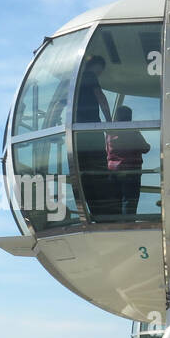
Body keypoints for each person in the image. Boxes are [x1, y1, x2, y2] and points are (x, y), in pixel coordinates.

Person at [74, 55, 116, 220]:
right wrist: (109, 121)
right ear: (96, 66)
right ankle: (104, 206)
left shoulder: (75, 80)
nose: (100, 73)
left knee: (82, 168)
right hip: (90, 127)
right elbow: (101, 97)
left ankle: (91, 209)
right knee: (98, 164)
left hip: (77, 129)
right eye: (101, 69)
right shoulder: (89, 76)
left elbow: (61, 103)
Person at [106, 106, 151, 217]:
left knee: (116, 201)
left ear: (116, 117)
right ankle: (127, 225)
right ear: (129, 117)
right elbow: (145, 148)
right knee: (129, 201)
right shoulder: (132, 132)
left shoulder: (110, 132)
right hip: (131, 170)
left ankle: (116, 227)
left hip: (113, 170)